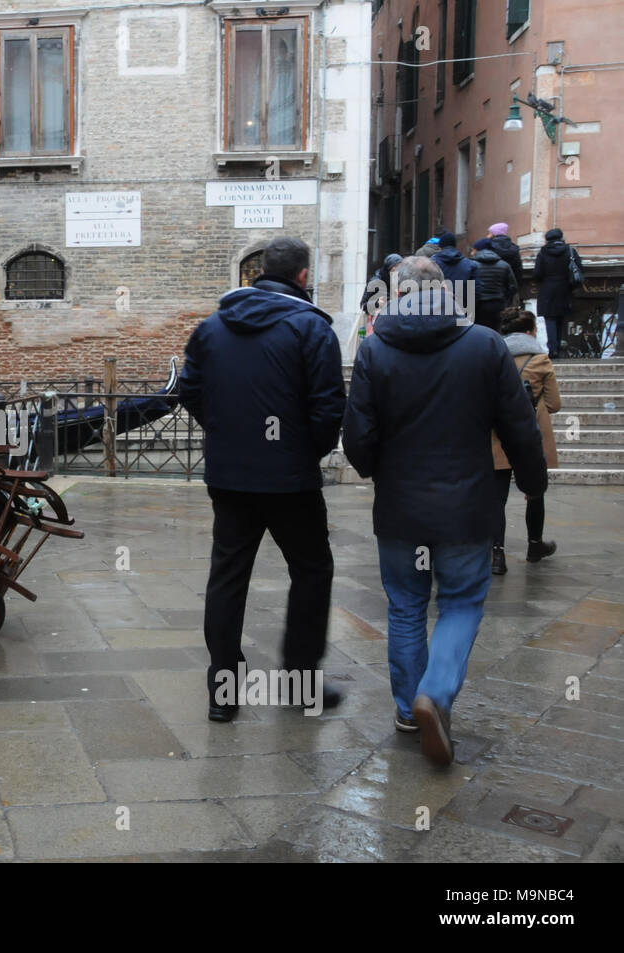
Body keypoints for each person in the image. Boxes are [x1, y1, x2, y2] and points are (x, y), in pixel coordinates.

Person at [342, 257, 546, 766]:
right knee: (459, 603)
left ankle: (411, 709)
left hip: (401, 508)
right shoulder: (484, 345)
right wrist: (532, 479)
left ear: (399, 291)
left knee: (407, 605)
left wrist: (372, 469)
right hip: (467, 506)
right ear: (445, 290)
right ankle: (435, 692)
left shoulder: (376, 349)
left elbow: (358, 437)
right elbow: (519, 424)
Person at [178, 236, 346, 722]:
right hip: (291, 479)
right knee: (312, 572)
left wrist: (228, 435)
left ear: (259, 272)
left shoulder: (212, 328)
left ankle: (223, 692)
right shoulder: (312, 329)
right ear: (302, 276)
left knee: (228, 577)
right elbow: (328, 406)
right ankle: (299, 683)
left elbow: (188, 391)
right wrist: (302, 451)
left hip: (230, 475)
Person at [492, 310, 561, 574]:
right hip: (531, 436)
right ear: (531, 331)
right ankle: (534, 545)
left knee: (496, 496)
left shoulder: (494, 356)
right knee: (534, 492)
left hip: (498, 434)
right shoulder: (541, 361)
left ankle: (496, 554)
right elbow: (555, 403)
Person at [533, 228, 582, 359]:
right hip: (565, 288)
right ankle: (558, 347)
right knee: (561, 318)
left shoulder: (543, 252)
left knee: (550, 319)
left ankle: (552, 349)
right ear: (561, 237)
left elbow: (537, 273)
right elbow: (579, 268)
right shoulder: (570, 251)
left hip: (547, 289)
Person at [473, 243, 519, 332]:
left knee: (479, 331)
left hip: (479, 305)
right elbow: (513, 287)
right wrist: (505, 299)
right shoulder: (504, 265)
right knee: (497, 330)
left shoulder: (472, 264)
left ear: (477, 250)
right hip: (498, 303)